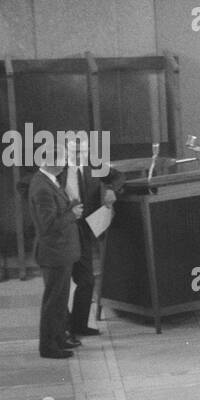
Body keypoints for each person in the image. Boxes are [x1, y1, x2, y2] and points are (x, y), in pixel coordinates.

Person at [62, 137, 122, 342]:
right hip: (64, 230)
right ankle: (65, 329)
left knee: (86, 279)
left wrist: (112, 190)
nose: (79, 154)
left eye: (82, 150)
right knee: (63, 283)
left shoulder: (92, 165)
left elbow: (117, 176)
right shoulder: (57, 169)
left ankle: (79, 325)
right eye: (75, 150)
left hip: (84, 230)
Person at [29, 154, 80, 359]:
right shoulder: (42, 187)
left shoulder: (48, 181)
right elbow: (47, 225)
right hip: (54, 252)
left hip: (60, 252)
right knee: (54, 301)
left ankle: (58, 338)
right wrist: (72, 214)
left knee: (60, 301)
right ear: (49, 161)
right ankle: (48, 346)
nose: (65, 164)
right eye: (61, 160)